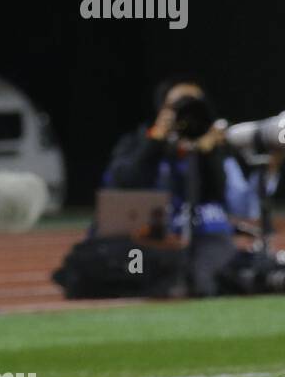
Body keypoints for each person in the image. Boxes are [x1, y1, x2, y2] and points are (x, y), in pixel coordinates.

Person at [103, 77, 259, 296]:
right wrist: (154, 143)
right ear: (162, 110)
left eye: (193, 105)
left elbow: (219, 195)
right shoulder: (138, 141)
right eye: (178, 105)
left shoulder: (211, 148)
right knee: (133, 280)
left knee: (210, 282)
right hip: (147, 239)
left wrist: (207, 154)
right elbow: (123, 185)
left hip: (204, 237)